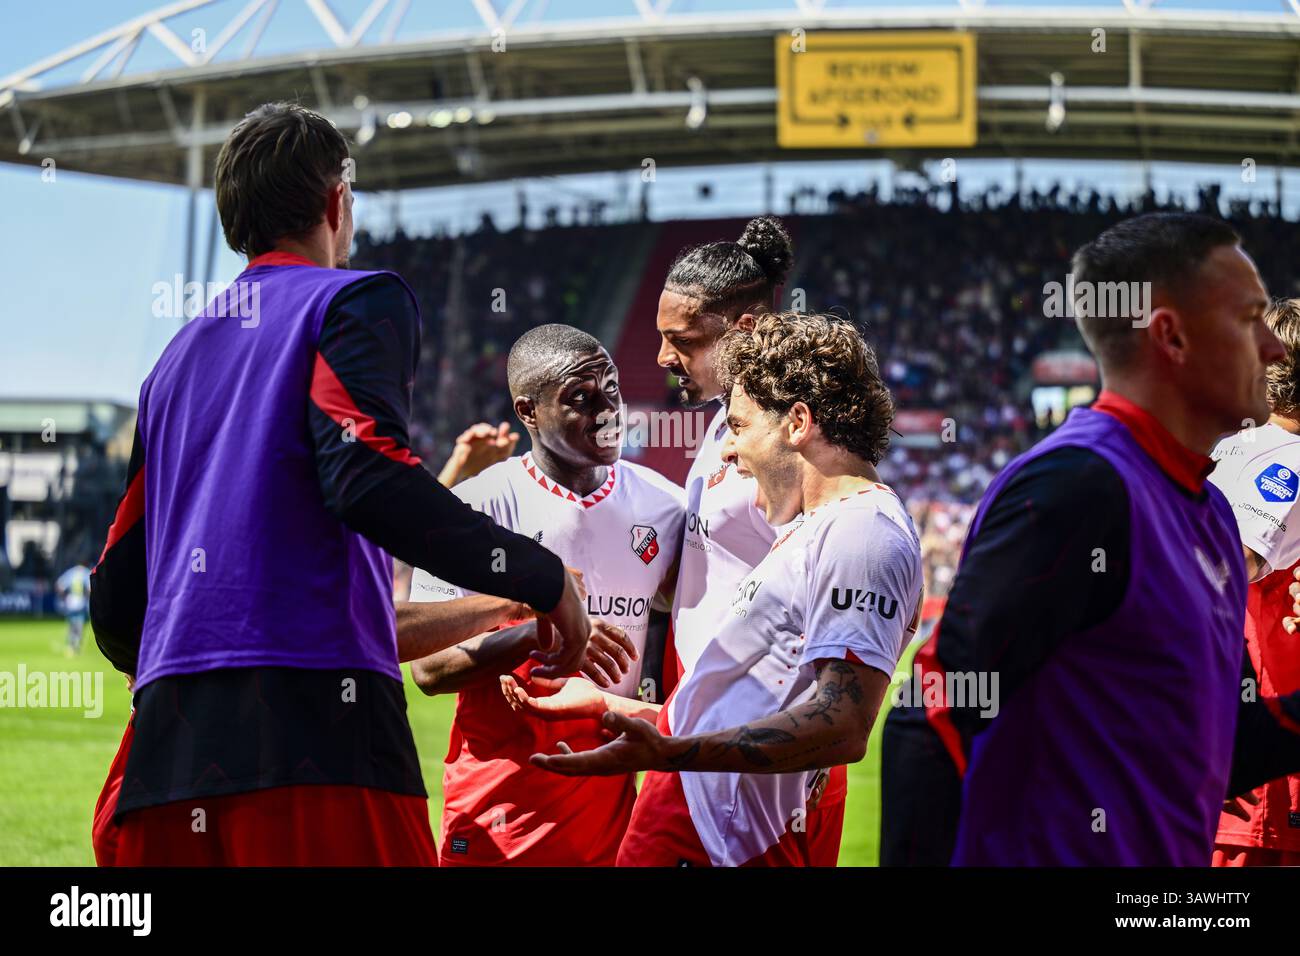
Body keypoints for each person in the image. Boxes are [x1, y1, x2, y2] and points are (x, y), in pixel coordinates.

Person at [88, 102, 591, 866]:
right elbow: (365, 477)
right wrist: (540, 574)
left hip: (165, 751)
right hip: (316, 732)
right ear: (336, 202)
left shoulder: (172, 363)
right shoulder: (354, 298)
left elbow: (118, 595)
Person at [881, 212, 1300, 866]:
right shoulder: (1078, 485)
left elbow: (1228, 742)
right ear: (1173, 337)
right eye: (1250, 321)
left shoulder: (1211, 510)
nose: (1274, 352)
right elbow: (933, 711)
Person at [514, 313, 922, 867]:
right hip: (696, 823)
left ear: (797, 422)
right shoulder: (815, 528)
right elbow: (743, 705)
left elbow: (841, 725)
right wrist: (612, 705)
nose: (727, 451)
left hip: (722, 839)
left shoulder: (863, 533)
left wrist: (670, 754)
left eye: (738, 425)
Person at [403, 324, 684, 866]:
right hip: (496, 807)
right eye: (581, 398)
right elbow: (429, 671)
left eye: (614, 389)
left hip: (608, 807)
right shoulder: (476, 506)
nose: (607, 410)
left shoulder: (666, 508)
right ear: (529, 412)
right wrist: (542, 629)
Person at [651, 217, 847, 863]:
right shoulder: (725, 427)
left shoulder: (796, 439)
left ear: (746, 331)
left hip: (747, 745)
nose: (663, 358)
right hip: (716, 732)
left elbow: (842, 565)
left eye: (682, 340)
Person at [1209, 297, 1300, 866]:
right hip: (1265, 780)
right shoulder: (1283, 464)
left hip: (1240, 752)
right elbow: (1223, 571)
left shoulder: (1225, 450)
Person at [55, 563, 91, 655]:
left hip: (71, 602)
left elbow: (59, 585)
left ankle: (71, 646)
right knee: (79, 625)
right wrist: (87, 597)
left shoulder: (70, 572)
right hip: (81, 603)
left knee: (72, 625)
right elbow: (90, 588)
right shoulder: (86, 573)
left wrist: (64, 598)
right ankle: (76, 645)